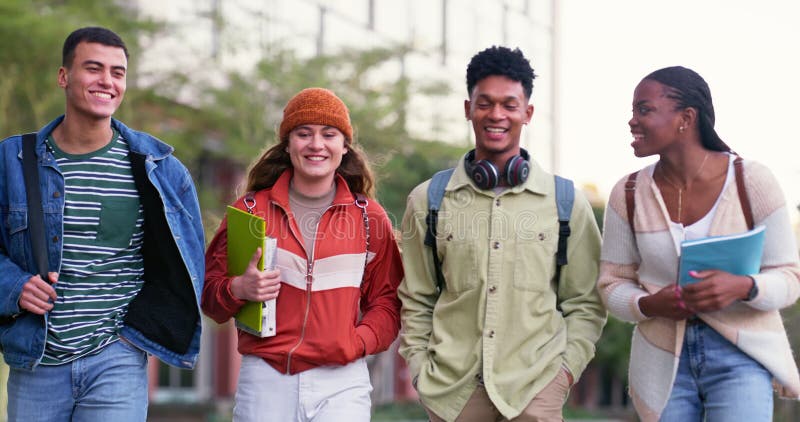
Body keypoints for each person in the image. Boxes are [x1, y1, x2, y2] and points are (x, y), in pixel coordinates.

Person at [0, 27, 205, 421]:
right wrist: (15, 287)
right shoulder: (13, 161)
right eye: (93, 68)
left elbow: (190, 264)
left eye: (118, 72)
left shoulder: (160, 169)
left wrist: (137, 336)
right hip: (37, 360)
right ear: (64, 76)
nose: (107, 82)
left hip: (117, 358)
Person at [398, 46, 606, 422]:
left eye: (509, 105)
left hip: (535, 388)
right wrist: (419, 369)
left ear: (527, 113)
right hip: (453, 394)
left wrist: (563, 374)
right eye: (485, 103)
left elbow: (586, 302)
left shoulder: (566, 202)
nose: (496, 115)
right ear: (468, 109)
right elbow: (416, 298)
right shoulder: (427, 201)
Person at [597, 66, 800, 421]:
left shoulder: (752, 181)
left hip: (741, 358)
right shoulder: (627, 194)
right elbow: (611, 283)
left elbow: (789, 277)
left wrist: (744, 286)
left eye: (644, 110)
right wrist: (648, 303)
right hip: (661, 365)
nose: (632, 121)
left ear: (685, 118)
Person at [202, 87, 403, 421]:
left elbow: (387, 303)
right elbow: (209, 297)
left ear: (344, 146)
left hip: (342, 381)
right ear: (288, 143)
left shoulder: (370, 218)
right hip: (266, 378)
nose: (316, 144)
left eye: (329, 134)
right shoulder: (251, 211)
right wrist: (238, 290)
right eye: (303, 133)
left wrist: (355, 343)